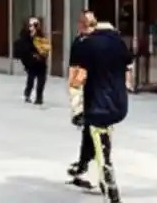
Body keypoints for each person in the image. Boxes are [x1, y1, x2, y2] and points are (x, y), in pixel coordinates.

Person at [69, 11, 132, 202]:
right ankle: (88, 168)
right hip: (119, 105)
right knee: (100, 137)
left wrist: (76, 108)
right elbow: (128, 70)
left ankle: (109, 183)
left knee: (100, 141)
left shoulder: (85, 45)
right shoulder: (118, 42)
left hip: (97, 105)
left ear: (85, 25)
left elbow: (77, 80)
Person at [66, 10, 97, 183]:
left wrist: (76, 107)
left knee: (91, 134)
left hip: (92, 95)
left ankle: (87, 165)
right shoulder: (101, 41)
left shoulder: (82, 43)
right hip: (102, 97)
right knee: (92, 135)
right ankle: (87, 164)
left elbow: (75, 78)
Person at [15, 16, 50, 105]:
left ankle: (39, 97)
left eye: (35, 25)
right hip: (31, 62)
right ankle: (28, 93)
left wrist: (42, 54)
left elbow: (45, 47)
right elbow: (24, 48)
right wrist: (31, 56)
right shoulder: (25, 36)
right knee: (31, 79)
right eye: (31, 25)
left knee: (41, 80)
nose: (33, 27)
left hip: (41, 62)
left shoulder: (41, 36)